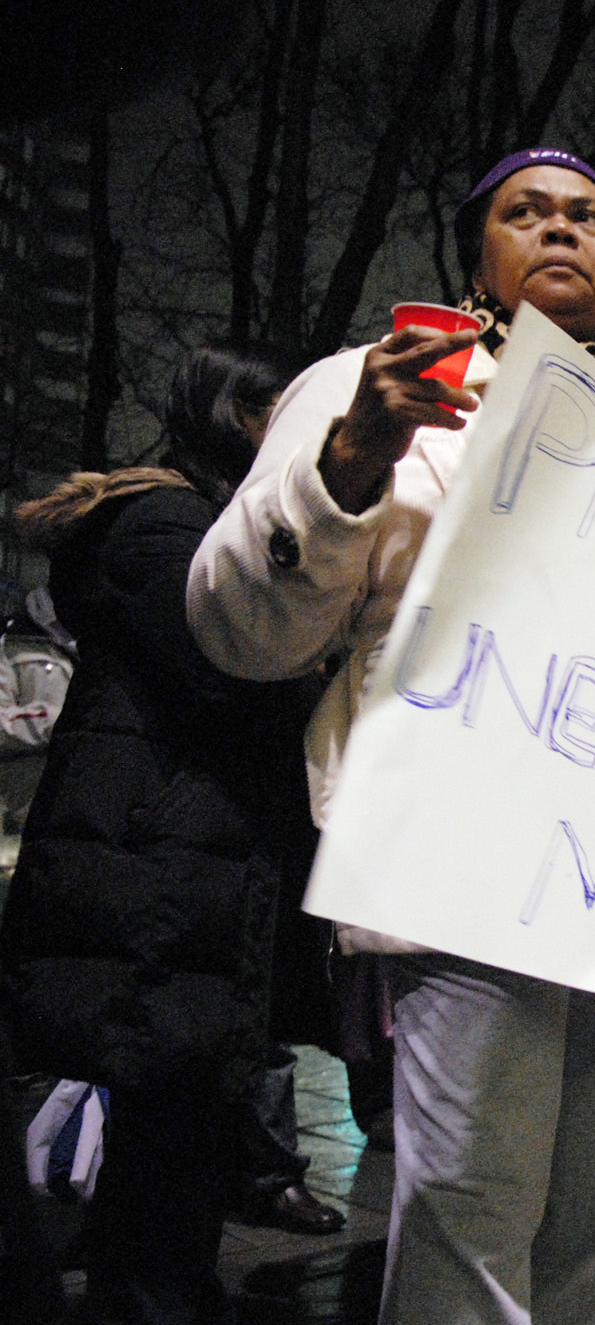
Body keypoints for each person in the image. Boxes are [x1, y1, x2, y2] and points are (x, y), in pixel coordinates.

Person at [185, 149, 595, 1325]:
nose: (559, 231)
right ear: (480, 248)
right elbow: (236, 627)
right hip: (459, 860)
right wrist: (354, 456)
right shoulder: (376, 388)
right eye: (526, 213)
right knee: (473, 1194)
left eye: (588, 217)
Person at [0, 342, 328, 1323]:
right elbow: (238, 676)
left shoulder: (205, 527)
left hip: (186, 870)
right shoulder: (165, 529)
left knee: (178, 1126)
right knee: (165, 1128)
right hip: (156, 870)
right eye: (292, 418)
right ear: (238, 418)